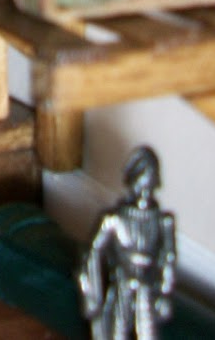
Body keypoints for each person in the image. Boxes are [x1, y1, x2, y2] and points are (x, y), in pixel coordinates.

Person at [80, 145, 177, 340]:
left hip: (147, 288)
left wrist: (164, 293)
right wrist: (93, 294)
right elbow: (94, 251)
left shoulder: (162, 221)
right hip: (121, 284)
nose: (144, 193)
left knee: (147, 333)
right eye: (141, 186)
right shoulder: (114, 219)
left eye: (148, 187)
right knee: (116, 332)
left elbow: (168, 258)